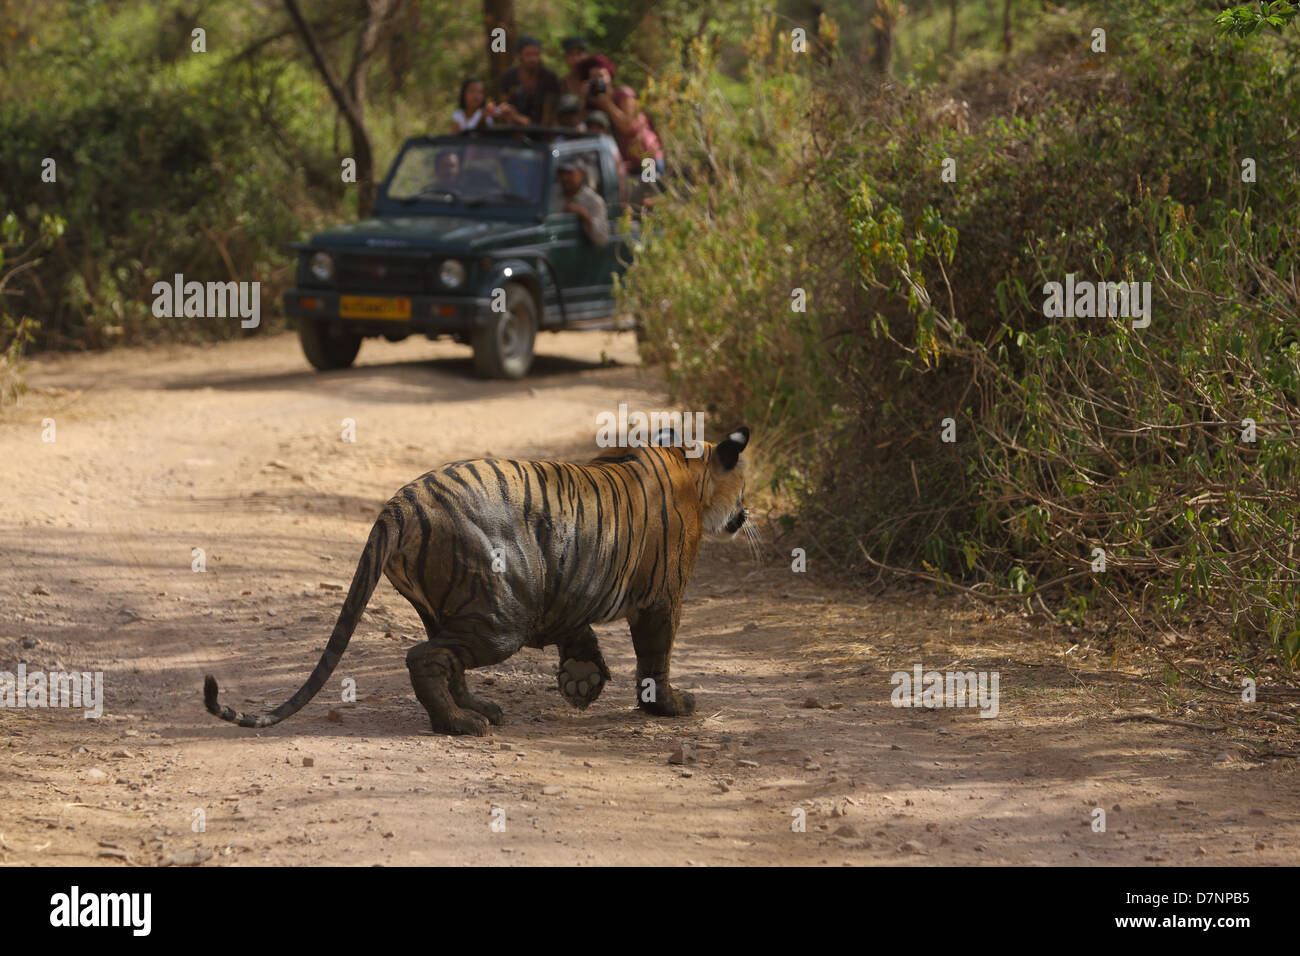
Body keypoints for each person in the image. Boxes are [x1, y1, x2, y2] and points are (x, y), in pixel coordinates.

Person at [496, 35, 560, 126]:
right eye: (528, 54)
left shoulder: (549, 78)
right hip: (513, 132)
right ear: (519, 56)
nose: (533, 59)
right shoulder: (508, 77)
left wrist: (519, 118)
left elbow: (548, 118)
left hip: (541, 131)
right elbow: (503, 106)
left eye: (536, 54)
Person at [556, 159, 608, 246]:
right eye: (561, 173)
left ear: (581, 174)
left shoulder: (593, 201)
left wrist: (584, 215)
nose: (565, 178)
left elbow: (601, 239)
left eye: (569, 173)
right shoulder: (552, 195)